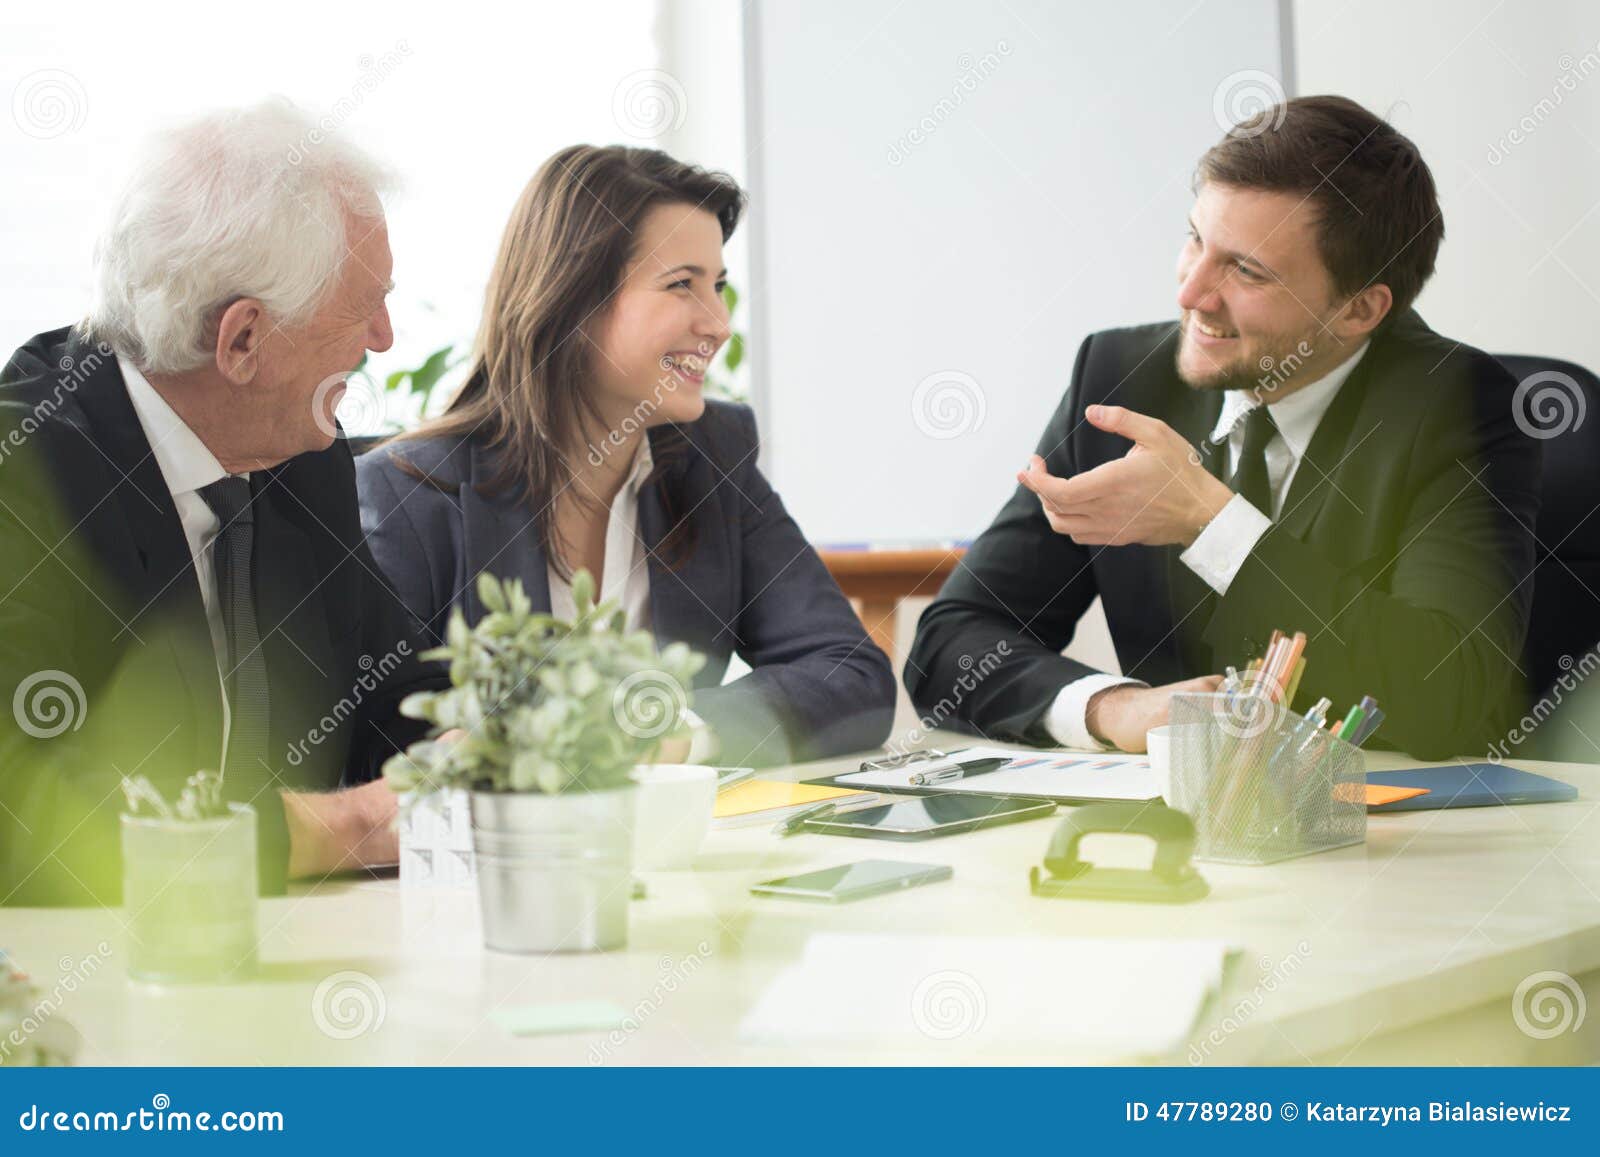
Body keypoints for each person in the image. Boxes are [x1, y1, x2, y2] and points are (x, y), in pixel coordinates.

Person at [907, 96, 1540, 761]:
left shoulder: (1460, 407)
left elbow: (1454, 697)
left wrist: (1215, 523)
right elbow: (950, 644)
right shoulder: (1117, 378)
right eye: (1195, 241)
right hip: (1168, 841)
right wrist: (1111, 707)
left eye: (1245, 270)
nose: (1190, 293)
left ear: (1359, 309)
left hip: (1378, 840)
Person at [0, 99, 445, 905]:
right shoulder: (21, 476)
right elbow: (23, 811)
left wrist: (497, 748)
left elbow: (401, 703)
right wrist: (345, 828)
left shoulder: (298, 456)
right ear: (243, 342)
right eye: (363, 304)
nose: (383, 337)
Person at [358, 145, 895, 767]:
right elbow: (375, 753)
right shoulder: (410, 492)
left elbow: (852, 676)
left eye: (717, 286)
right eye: (682, 285)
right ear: (573, 301)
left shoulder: (711, 457)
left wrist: (670, 733)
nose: (719, 324)